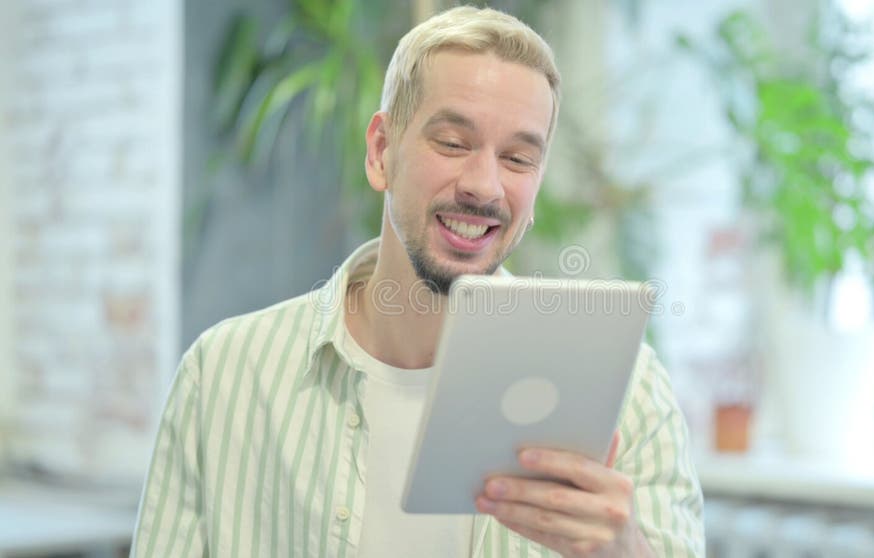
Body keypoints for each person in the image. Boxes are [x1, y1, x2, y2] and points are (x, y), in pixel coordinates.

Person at [131, 5, 704, 557]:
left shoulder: (628, 391)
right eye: (453, 143)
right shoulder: (223, 376)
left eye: (518, 159)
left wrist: (622, 553)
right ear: (381, 152)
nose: (484, 185)